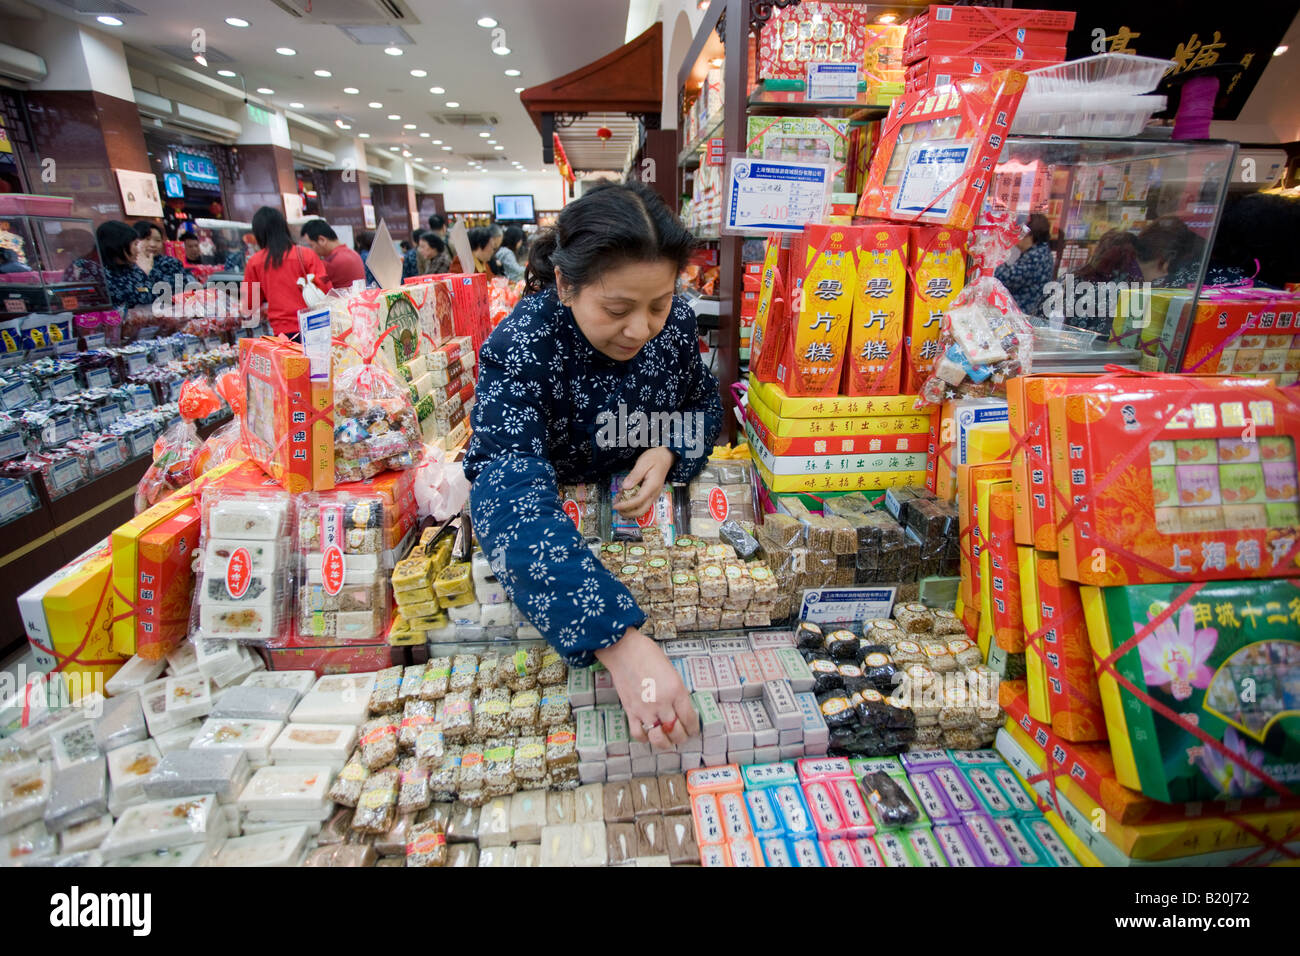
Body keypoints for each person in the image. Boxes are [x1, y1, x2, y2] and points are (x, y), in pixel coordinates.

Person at [464, 179, 721, 749]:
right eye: (617, 308)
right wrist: (619, 642)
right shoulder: (524, 343)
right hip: (556, 549)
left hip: (647, 539)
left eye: (658, 303)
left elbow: (705, 406)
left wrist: (669, 445)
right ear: (563, 282)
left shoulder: (674, 327)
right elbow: (506, 489)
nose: (641, 329)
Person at [240, 205, 333, 338]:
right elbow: (326, 288)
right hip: (315, 326)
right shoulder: (306, 254)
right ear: (284, 228)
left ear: (259, 233)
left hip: (282, 332)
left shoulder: (255, 262)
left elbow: (249, 306)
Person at [994, 213, 1054, 316]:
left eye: (1019, 233)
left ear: (1030, 235)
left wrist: (994, 256)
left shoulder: (1036, 257)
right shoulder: (1042, 252)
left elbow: (1005, 278)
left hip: (1022, 312)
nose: (1016, 237)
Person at [97, 220, 158, 310]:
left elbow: (151, 294)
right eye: (135, 244)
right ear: (119, 244)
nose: (138, 250)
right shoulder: (96, 271)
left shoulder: (133, 269)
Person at [301, 219, 366, 290]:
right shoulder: (353, 253)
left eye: (311, 245)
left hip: (343, 300)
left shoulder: (331, 261)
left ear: (322, 240)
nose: (311, 250)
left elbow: (313, 288)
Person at [133, 220, 193, 292]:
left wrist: (150, 271)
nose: (153, 244)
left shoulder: (172, 263)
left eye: (157, 240)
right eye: (147, 239)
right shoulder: (128, 264)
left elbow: (180, 288)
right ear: (135, 241)